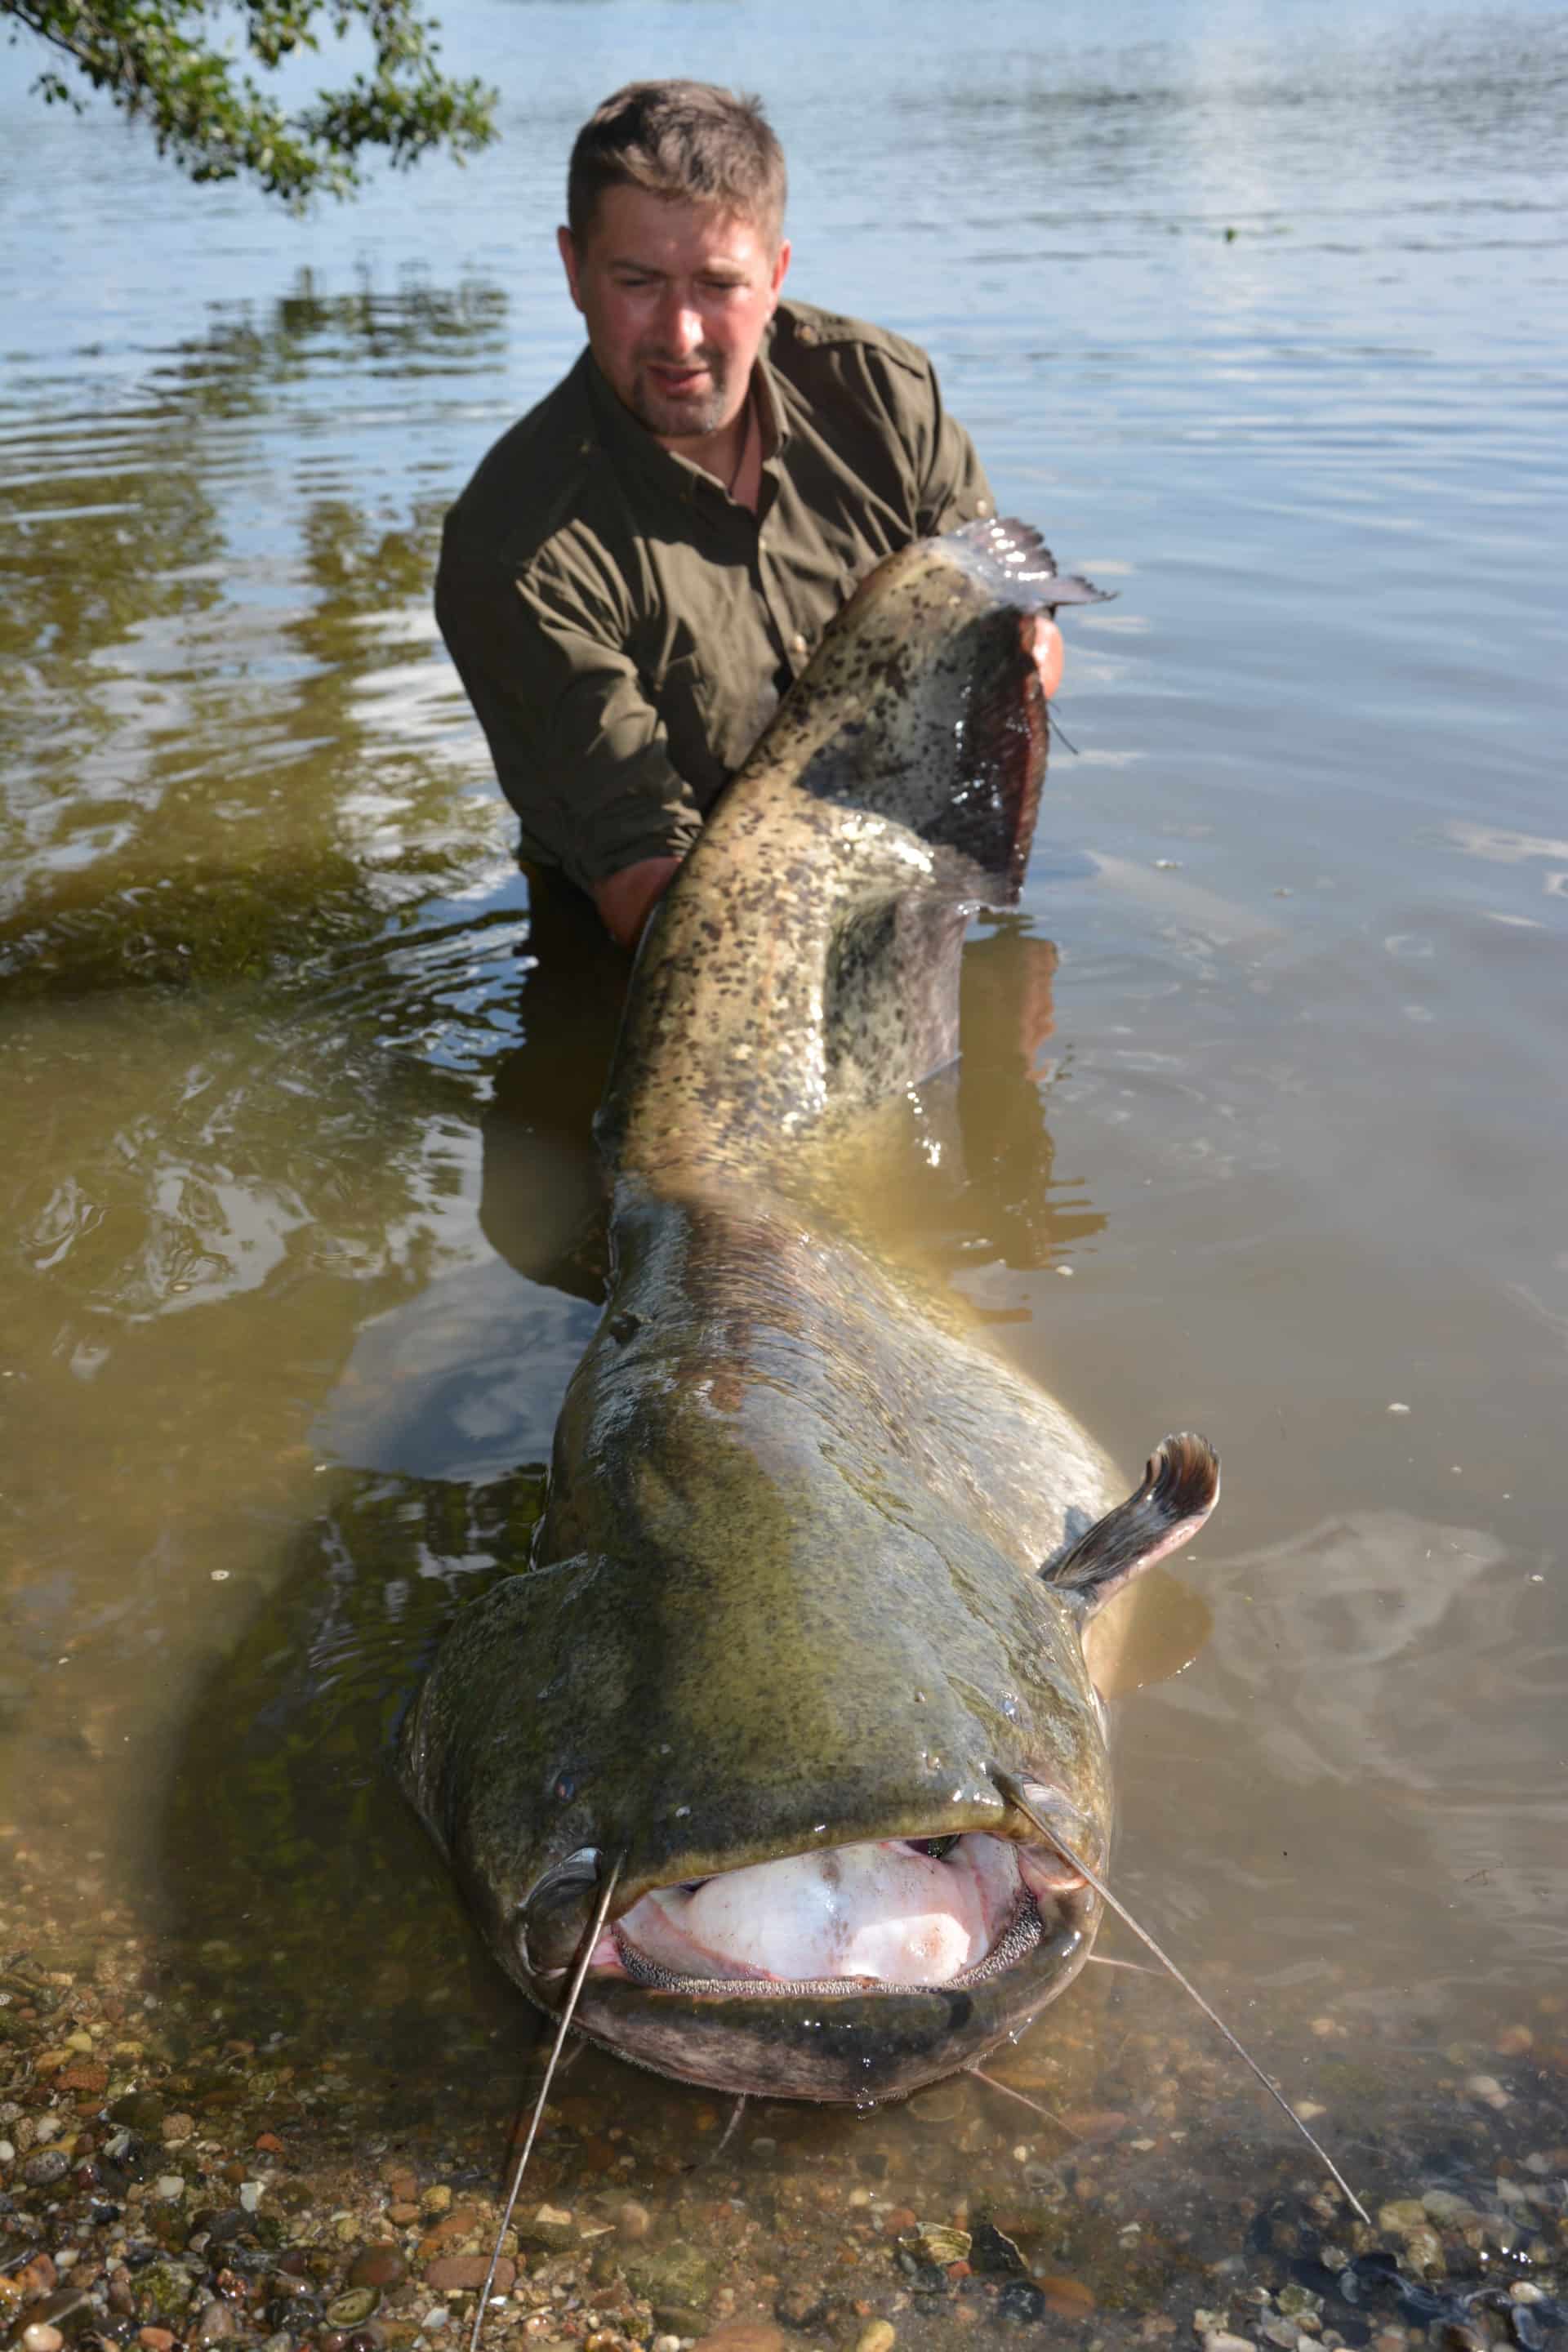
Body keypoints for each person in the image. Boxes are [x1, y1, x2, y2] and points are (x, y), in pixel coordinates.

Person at [435, 78, 1065, 950]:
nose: (680, 334)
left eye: (718, 284)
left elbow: (1022, 636)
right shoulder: (515, 553)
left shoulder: (881, 397)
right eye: (638, 281)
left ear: (775, 276)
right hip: (652, 955)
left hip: (916, 881)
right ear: (574, 270)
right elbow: (643, 882)